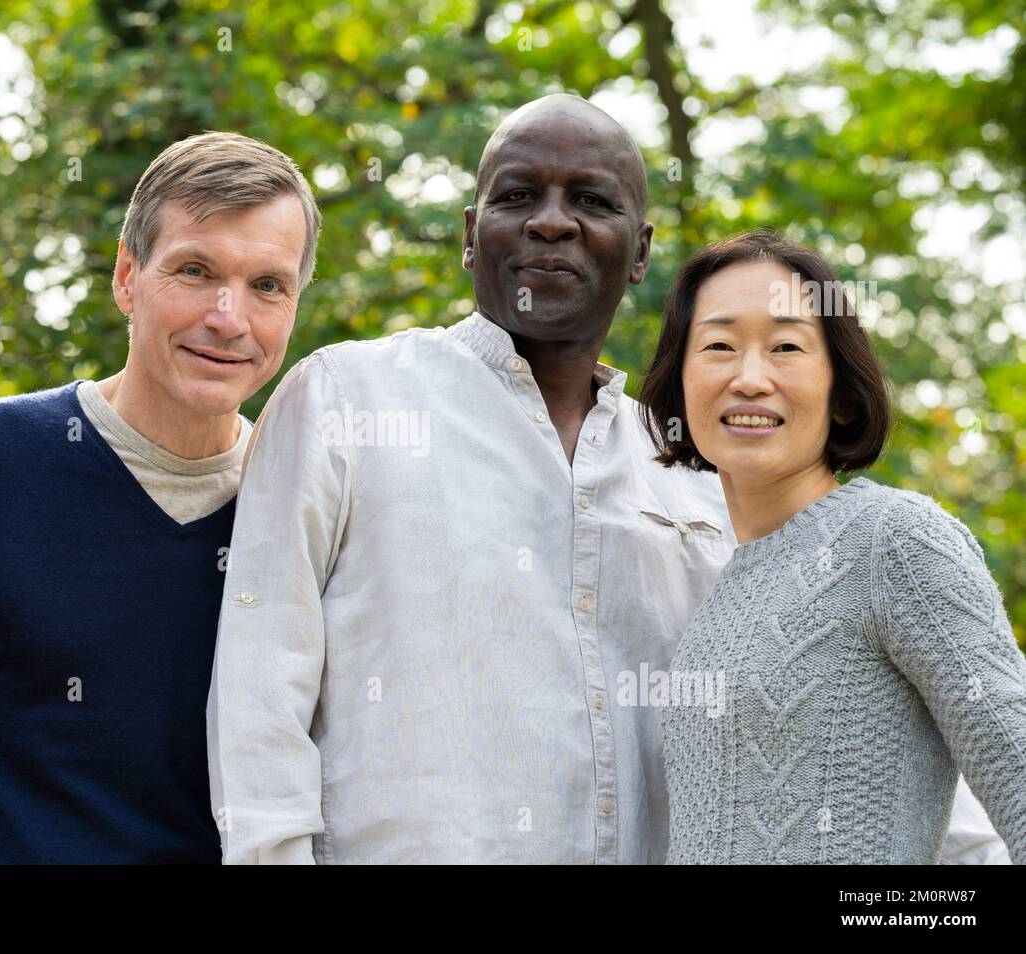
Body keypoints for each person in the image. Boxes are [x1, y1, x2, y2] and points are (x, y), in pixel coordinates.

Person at [205, 94, 1006, 863]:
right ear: (468, 232)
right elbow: (258, 690)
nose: (552, 221)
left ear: (642, 251)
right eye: (518, 194)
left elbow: (889, 731)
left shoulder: (696, 466)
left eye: (591, 199)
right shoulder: (348, 398)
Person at [0, 131, 321, 863]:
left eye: (267, 285)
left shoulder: (302, 506)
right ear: (126, 277)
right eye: (195, 270)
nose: (228, 318)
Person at [639, 229, 1026, 863]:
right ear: (680, 387)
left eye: (786, 346)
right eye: (718, 345)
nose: (750, 377)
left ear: (842, 394)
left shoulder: (894, 540)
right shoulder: (715, 597)